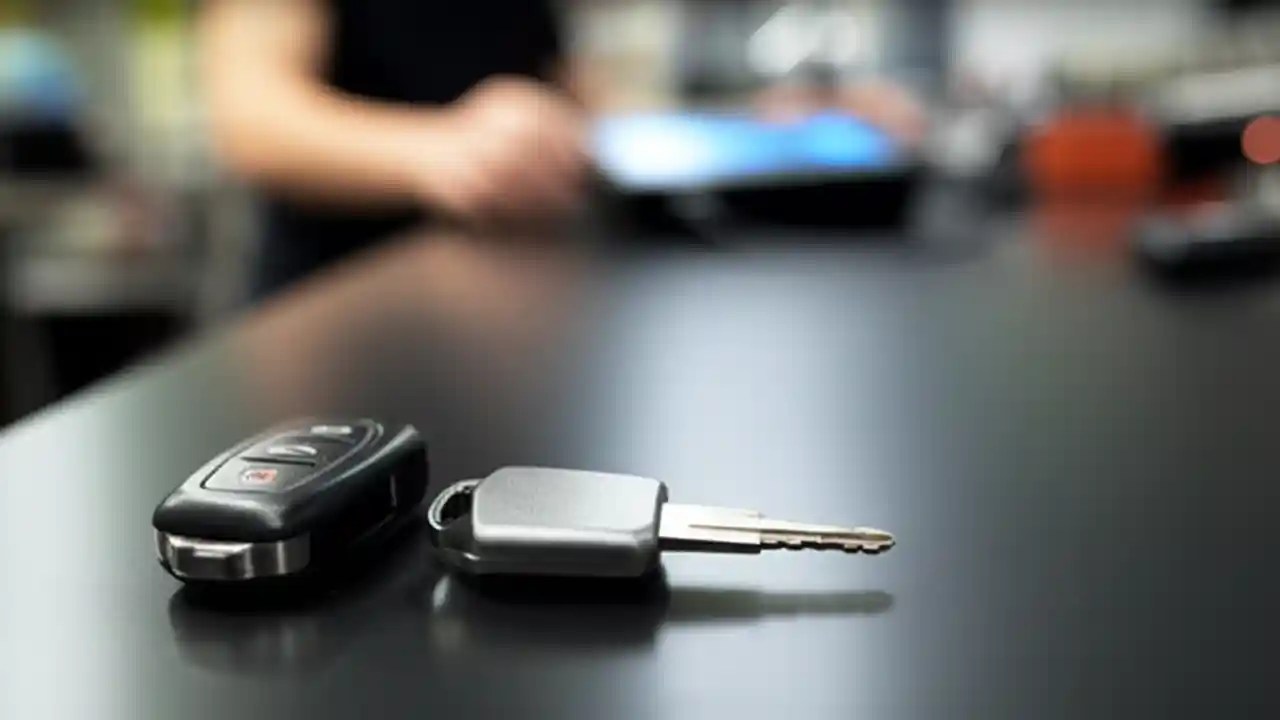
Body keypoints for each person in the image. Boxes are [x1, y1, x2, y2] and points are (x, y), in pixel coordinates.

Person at [200, 0, 589, 298]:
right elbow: (252, 117)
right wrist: (444, 150)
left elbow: (554, 75)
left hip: (509, 291)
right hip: (341, 305)